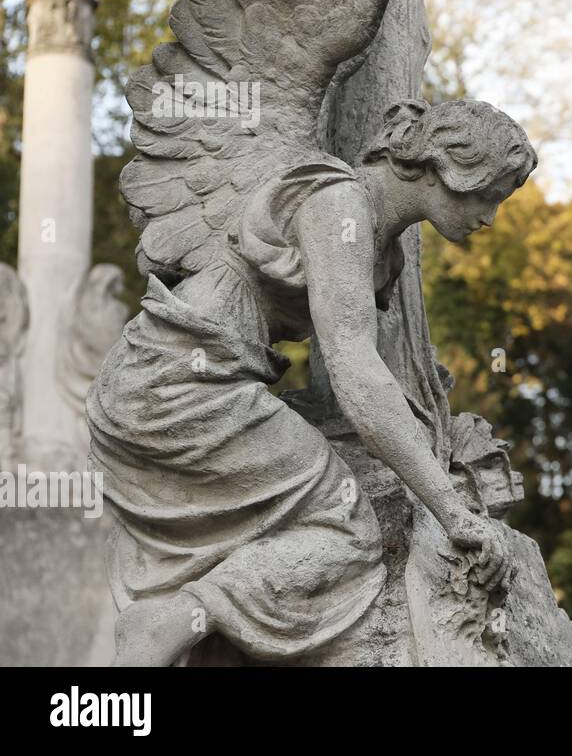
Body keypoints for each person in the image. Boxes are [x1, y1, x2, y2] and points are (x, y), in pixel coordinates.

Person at [88, 99, 536, 666]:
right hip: (177, 386)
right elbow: (354, 369)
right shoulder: (337, 203)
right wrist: (452, 510)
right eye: (490, 193)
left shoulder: (382, 248)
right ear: (449, 166)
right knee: (345, 529)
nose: (490, 216)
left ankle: (189, 628)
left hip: (191, 380)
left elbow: (374, 379)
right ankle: (169, 623)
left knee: (309, 528)